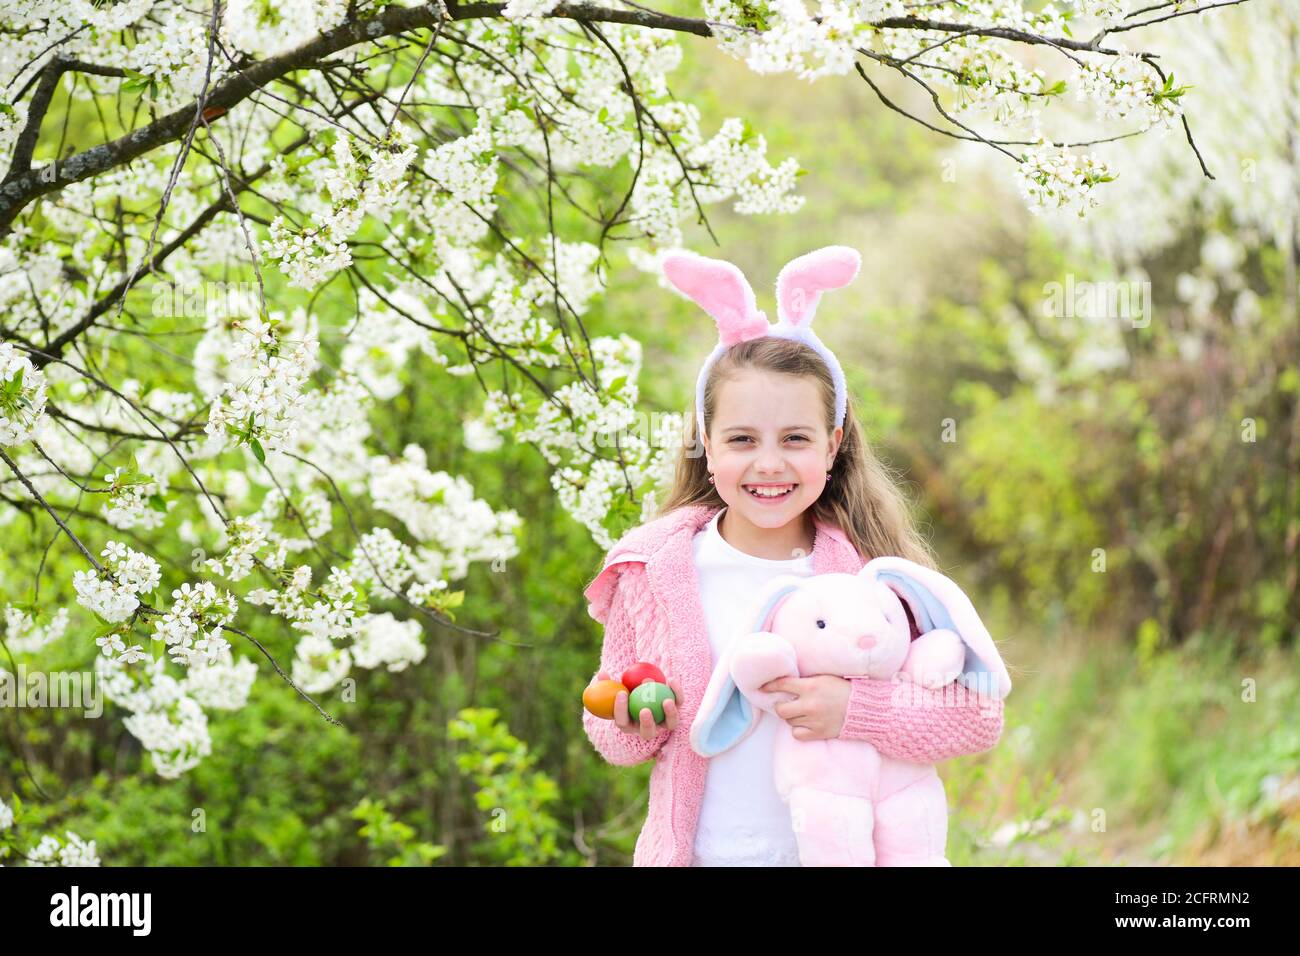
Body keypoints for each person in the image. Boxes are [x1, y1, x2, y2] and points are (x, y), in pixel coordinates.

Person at [582, 246, 1006, 866]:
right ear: (705, 442)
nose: (770, 463)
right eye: (742, 439)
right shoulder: (654, 569)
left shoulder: (869, 571)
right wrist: (627, 721)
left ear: (832, 446)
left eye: (796, 439)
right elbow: (610, 719)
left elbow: (975, 717)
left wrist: (856, 711)